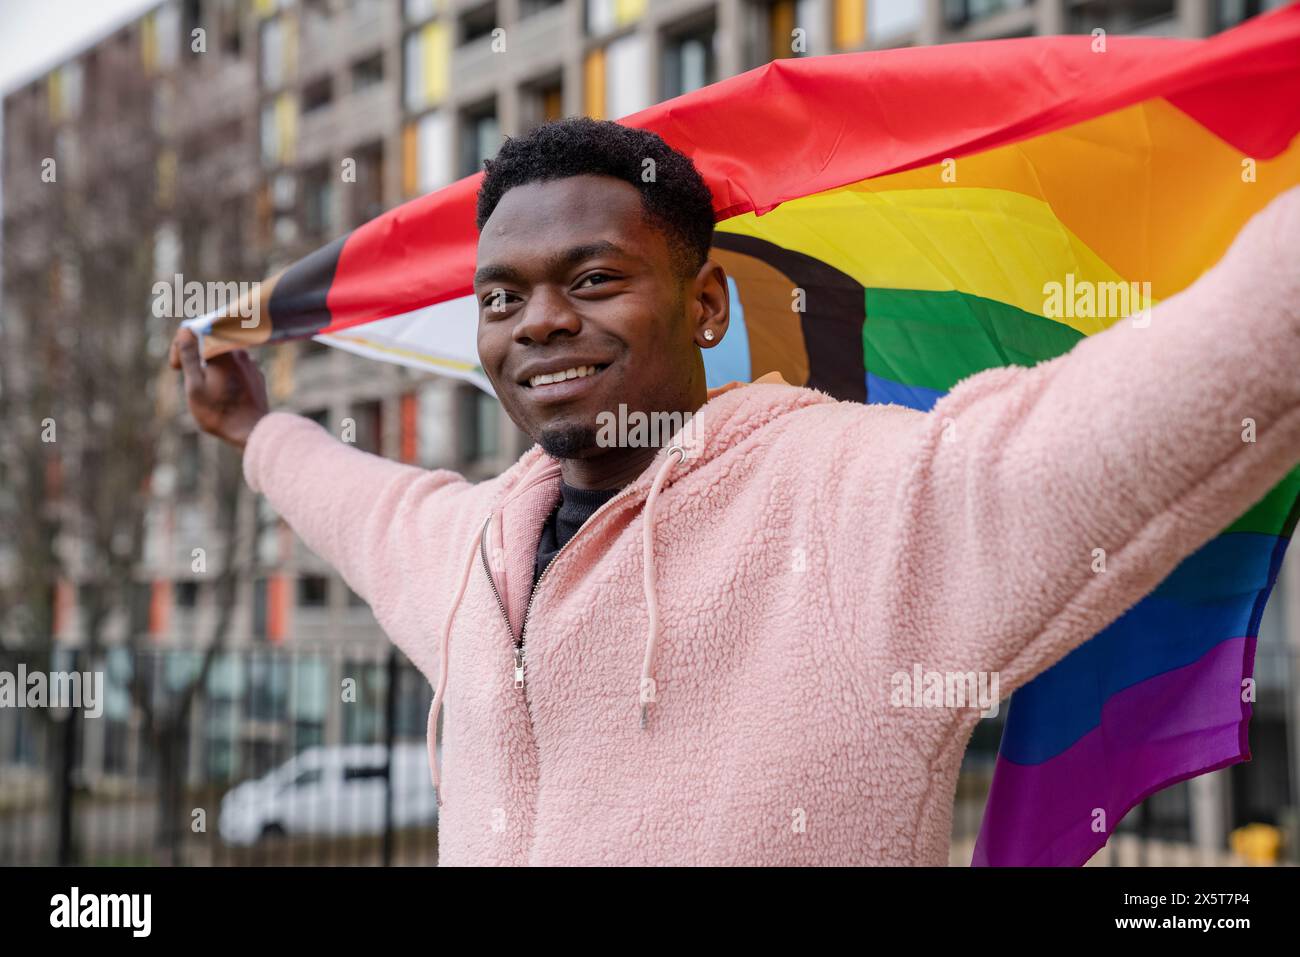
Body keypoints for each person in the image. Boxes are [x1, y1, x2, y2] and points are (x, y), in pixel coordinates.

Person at [169, 117, 1300, 865]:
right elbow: (366, 510)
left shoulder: (856, 509)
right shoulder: (473, 550)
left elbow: (1176, 382)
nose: (541, 322)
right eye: (500, 298)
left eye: (595, 278)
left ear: (706, 307)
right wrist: (253, 426)